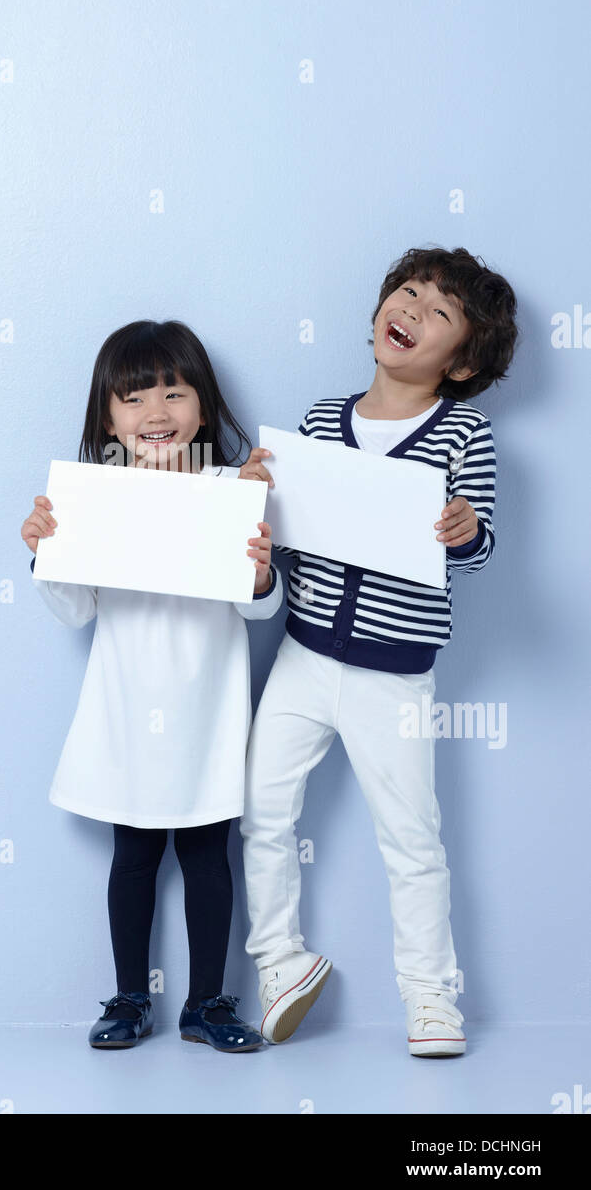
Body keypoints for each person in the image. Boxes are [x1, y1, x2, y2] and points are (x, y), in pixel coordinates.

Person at [238, 246, 519, 1055]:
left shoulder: (466, 432)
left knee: (412, 841)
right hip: (301, 657)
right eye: (407, 293)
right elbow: (282, 550)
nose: (413, 311)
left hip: (394, 677)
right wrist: (255, 501)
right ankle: (278, 964)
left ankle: (432, 999)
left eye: (440, 312)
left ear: (461, 361)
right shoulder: (321, 422)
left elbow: (480, 547)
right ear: (376, 314)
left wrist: (467, 531)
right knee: (263, 813)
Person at [21, 319, 284, 1052]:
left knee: (208, 856)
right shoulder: (95, 497)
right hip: (128, 710)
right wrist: (49, 549)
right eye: (134, 399)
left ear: (203, 405)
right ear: (107, 418)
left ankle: (206, 1003)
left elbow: (257, 605)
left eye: (175, 391)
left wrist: (261, 566)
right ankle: (130, 997)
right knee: (133, 856)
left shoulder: (233, 489)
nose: (157, 412)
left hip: (207, 709)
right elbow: (76, 610)